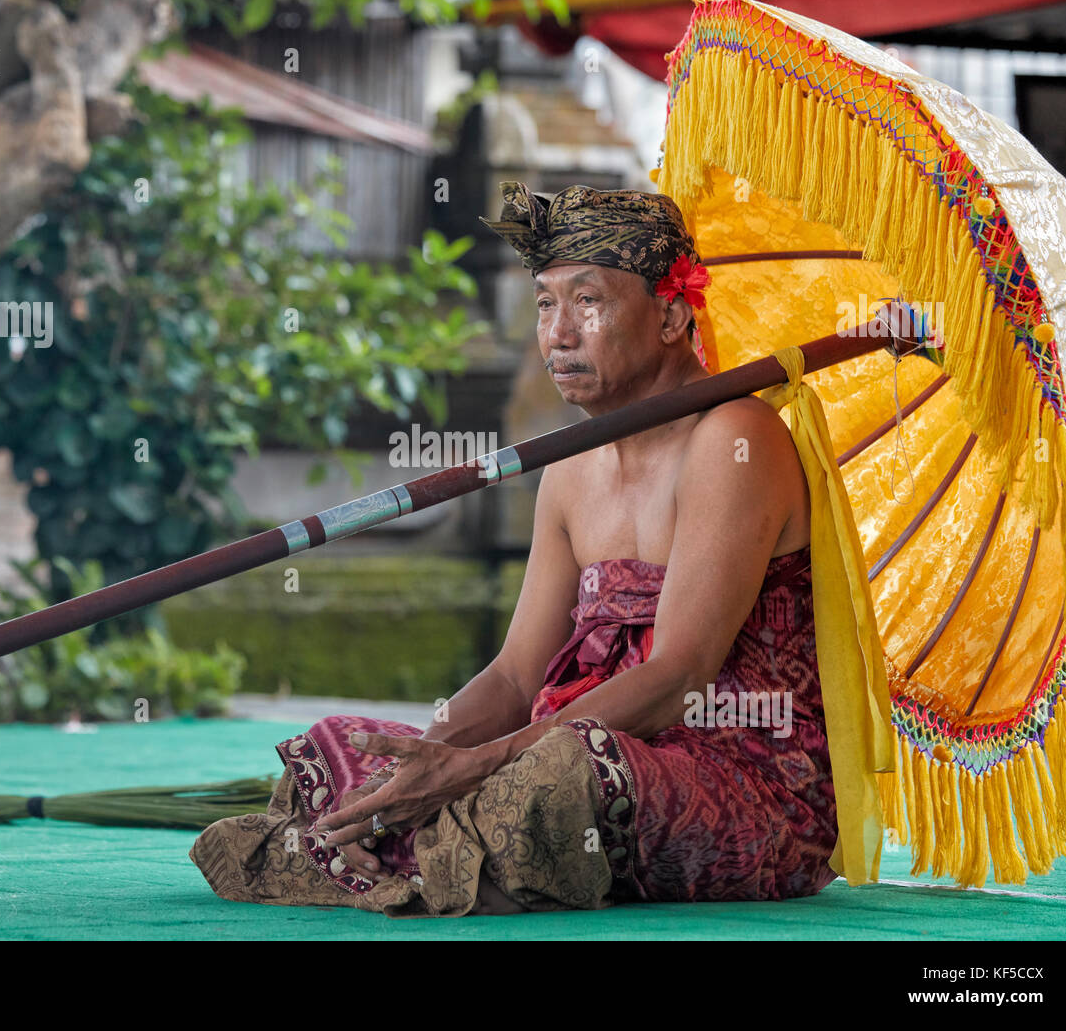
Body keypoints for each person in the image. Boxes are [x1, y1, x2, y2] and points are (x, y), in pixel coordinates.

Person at [190, 181, 843, 916]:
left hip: (736, 779)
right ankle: (426, 854)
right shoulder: (571, 463)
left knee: (558, 777)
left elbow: (679, 674)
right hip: (569, 746)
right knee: (339, 746)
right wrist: (423, 766)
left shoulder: (735, 438)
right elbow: (515, 674)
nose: (558, 333)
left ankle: (386, 861)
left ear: (669, 314)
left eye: (588, 301)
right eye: (544, 302)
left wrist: (474, 768)